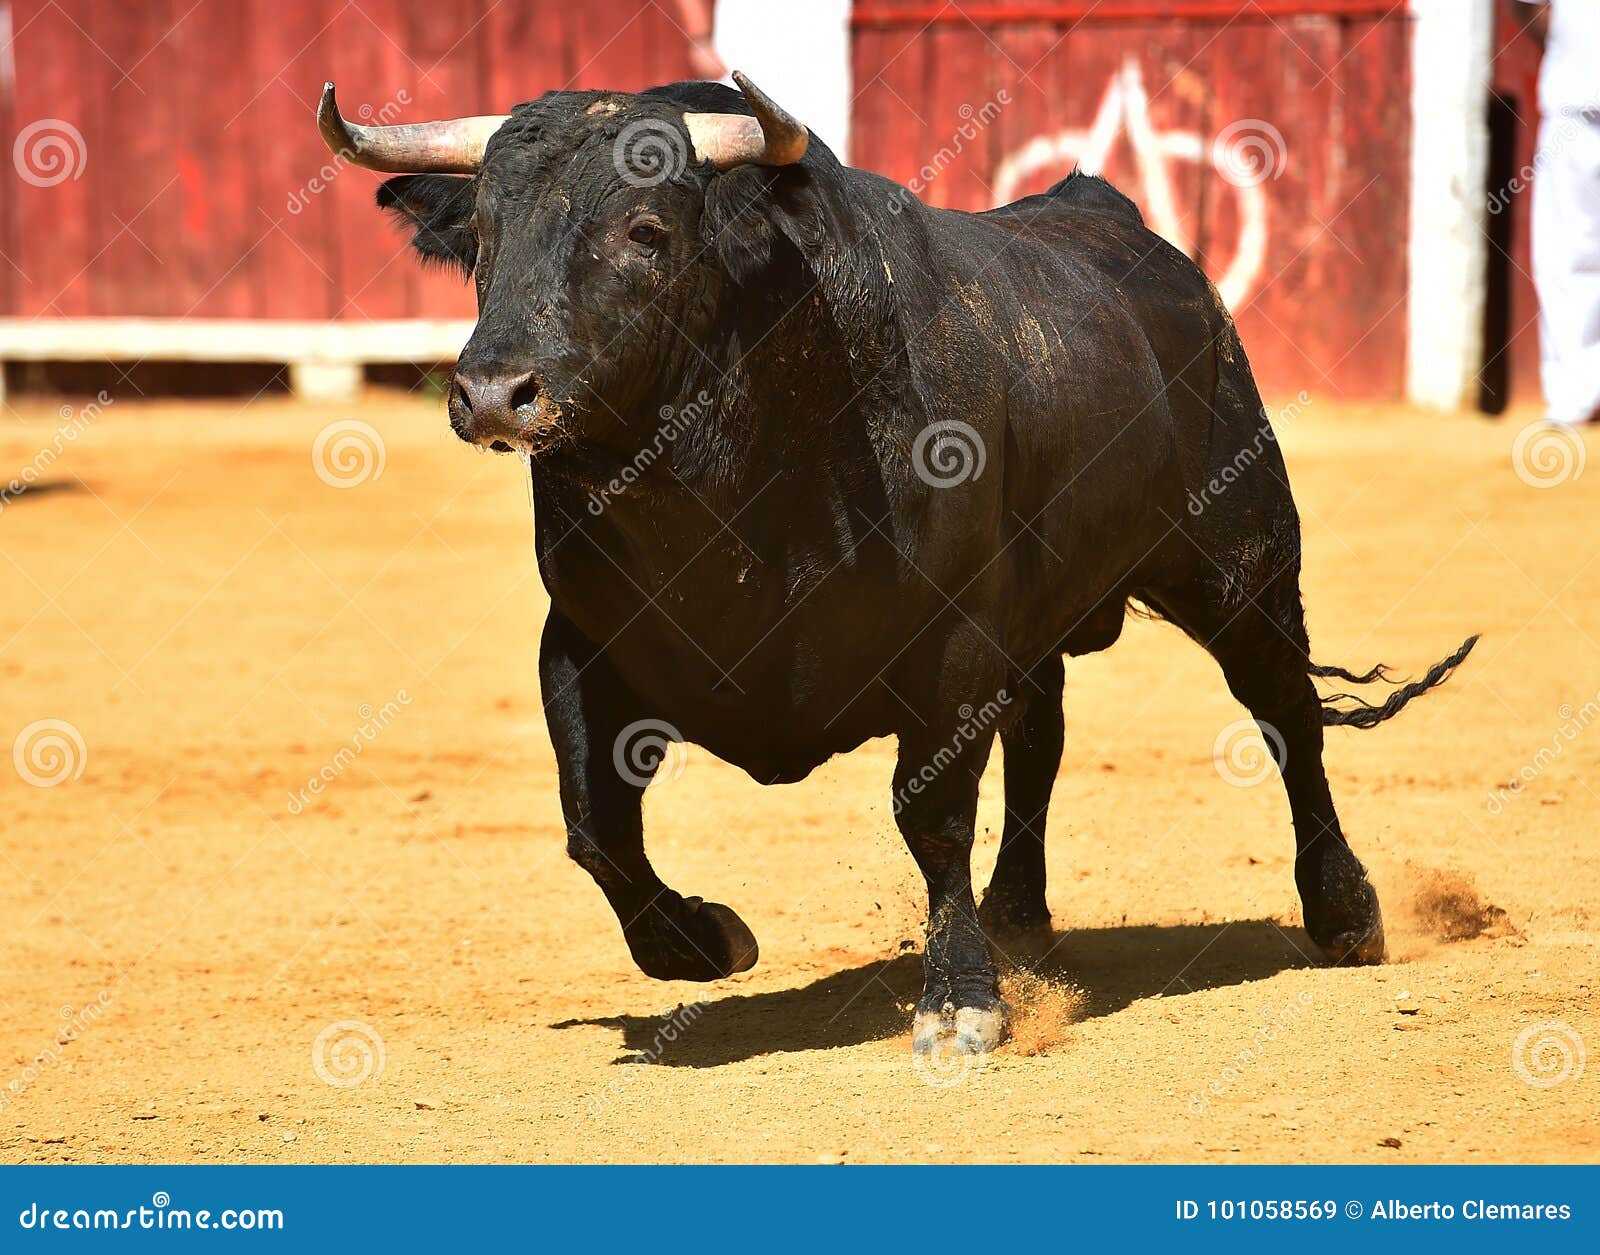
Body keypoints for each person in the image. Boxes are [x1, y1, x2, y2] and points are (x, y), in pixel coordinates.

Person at [1519, 1, 1600, 425]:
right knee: (1567, 255)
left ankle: (1577, 393)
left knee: (1567, 256)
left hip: (1576, 100)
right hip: (1574, 112)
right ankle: (1578, 392)